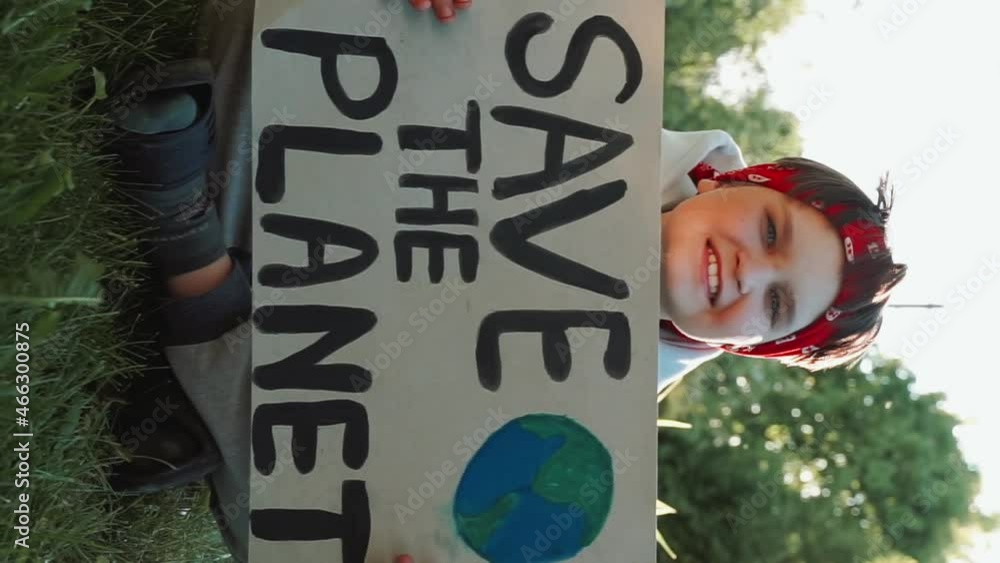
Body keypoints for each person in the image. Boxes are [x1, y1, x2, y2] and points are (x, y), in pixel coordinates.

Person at [104, 0, 906, 561]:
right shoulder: (580, 74)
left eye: (774, 304)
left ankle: (187, 244)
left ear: (747, 348)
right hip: (277, 149)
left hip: (282, 313)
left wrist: (412, 537)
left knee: (313, 506)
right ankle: (195, 351)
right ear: (736, 181)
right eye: (770, 231)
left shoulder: (593, 435)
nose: (746, 266)